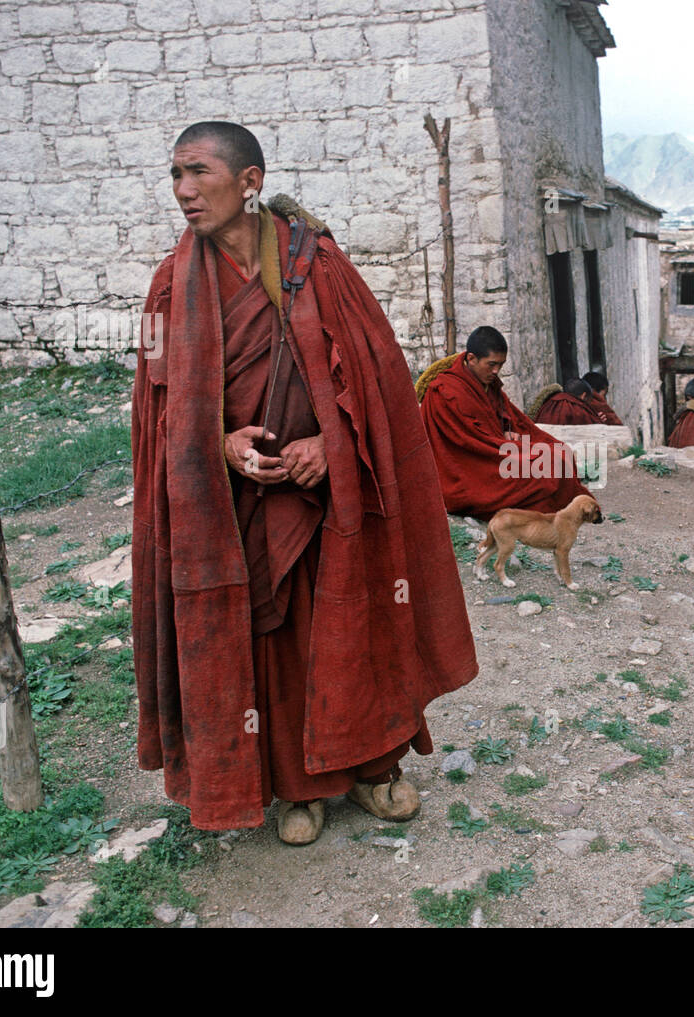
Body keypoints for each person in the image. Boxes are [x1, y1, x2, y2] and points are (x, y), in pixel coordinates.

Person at [131, 122, 477, 846]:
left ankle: (375, 767)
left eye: (200, 173)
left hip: (331, 491)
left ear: (250, 181)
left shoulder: (315, 263)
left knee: (354, 618)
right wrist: (221, 443)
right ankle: (298, 785)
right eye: (175, 175)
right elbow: (162, 405)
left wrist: (336, 441)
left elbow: (377, 373)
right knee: (271, 635)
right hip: (241, 502)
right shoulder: (172, 284)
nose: (185, 191)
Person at [418, 327, 590, 518]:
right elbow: (468, 445)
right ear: (472, 358)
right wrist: (508, 444)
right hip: (473, 471)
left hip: (496, 452)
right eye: (491, 364)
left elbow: (512, 420)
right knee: (548, 465)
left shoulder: (487, 383)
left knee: (558, 450)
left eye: (500, 365)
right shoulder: (444, 392)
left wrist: (508, 434)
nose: (496, 371)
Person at [532, 379, 601, 426]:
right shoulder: (578, 410)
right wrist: (596, 419)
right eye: (588, 401)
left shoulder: (549, 402)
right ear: (584, 396)